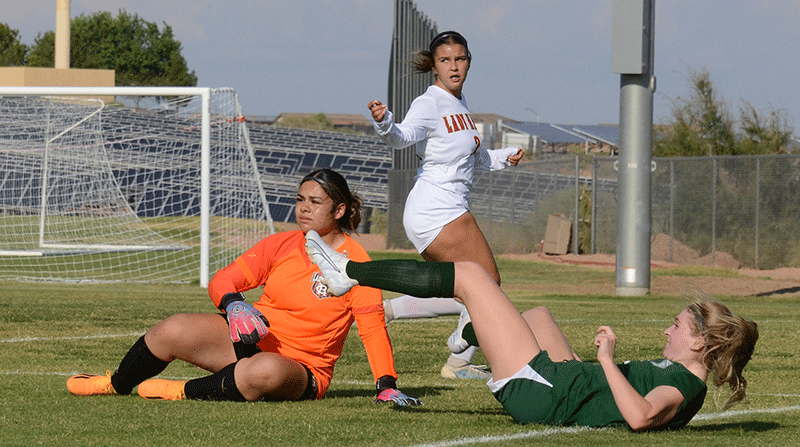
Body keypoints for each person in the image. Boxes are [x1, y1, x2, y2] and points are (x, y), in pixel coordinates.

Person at [304, 230, 759, 430]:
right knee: (537, 316)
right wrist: (593, 370)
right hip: (567, 382)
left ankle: (349, 273)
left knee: (470, 276)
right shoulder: (682, 373)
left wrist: (604, 360)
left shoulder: (683, 386)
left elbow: (641, 417)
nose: (667, 328)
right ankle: (473, 334)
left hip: (543, 393)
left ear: (700, 342)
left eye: (676, 325)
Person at [66, 169, 420, 406]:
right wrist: (234, 304)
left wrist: (385, 383)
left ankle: (180, 391)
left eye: (315, 202)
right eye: (300, 200)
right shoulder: (282, 243)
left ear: (340, 209)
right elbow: (224, 279)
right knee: (172, 328)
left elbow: (373, 329)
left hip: (300, 370)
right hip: (249, 342)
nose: (304, 209)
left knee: (264, 370)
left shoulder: (357, 262)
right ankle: (115, 384)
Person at [368, 30, 524, 379]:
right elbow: (402, 137)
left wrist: (504, 157)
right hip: (437, 207)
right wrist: (384, 122)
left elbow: (473, 158)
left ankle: (391, 311)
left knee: (463, 291)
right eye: (445, 60)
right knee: (488, 285)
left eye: (460, 58)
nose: (454, 66)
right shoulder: (430, 102)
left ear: (469, 61)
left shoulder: (461, 104)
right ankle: (460, 353)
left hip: (442, 207)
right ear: (434, 66)